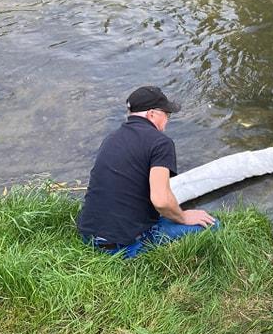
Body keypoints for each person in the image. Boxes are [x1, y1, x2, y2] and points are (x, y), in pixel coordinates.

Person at [77, 86, 217, 258]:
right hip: (121, 247)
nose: (167, 119)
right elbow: (161, 201)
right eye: (167, 114)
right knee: (211, 224)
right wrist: (183, 217)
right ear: (152, 114)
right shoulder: (160, 143)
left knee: (165, 216)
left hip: (88, 235)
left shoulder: (111, 138)